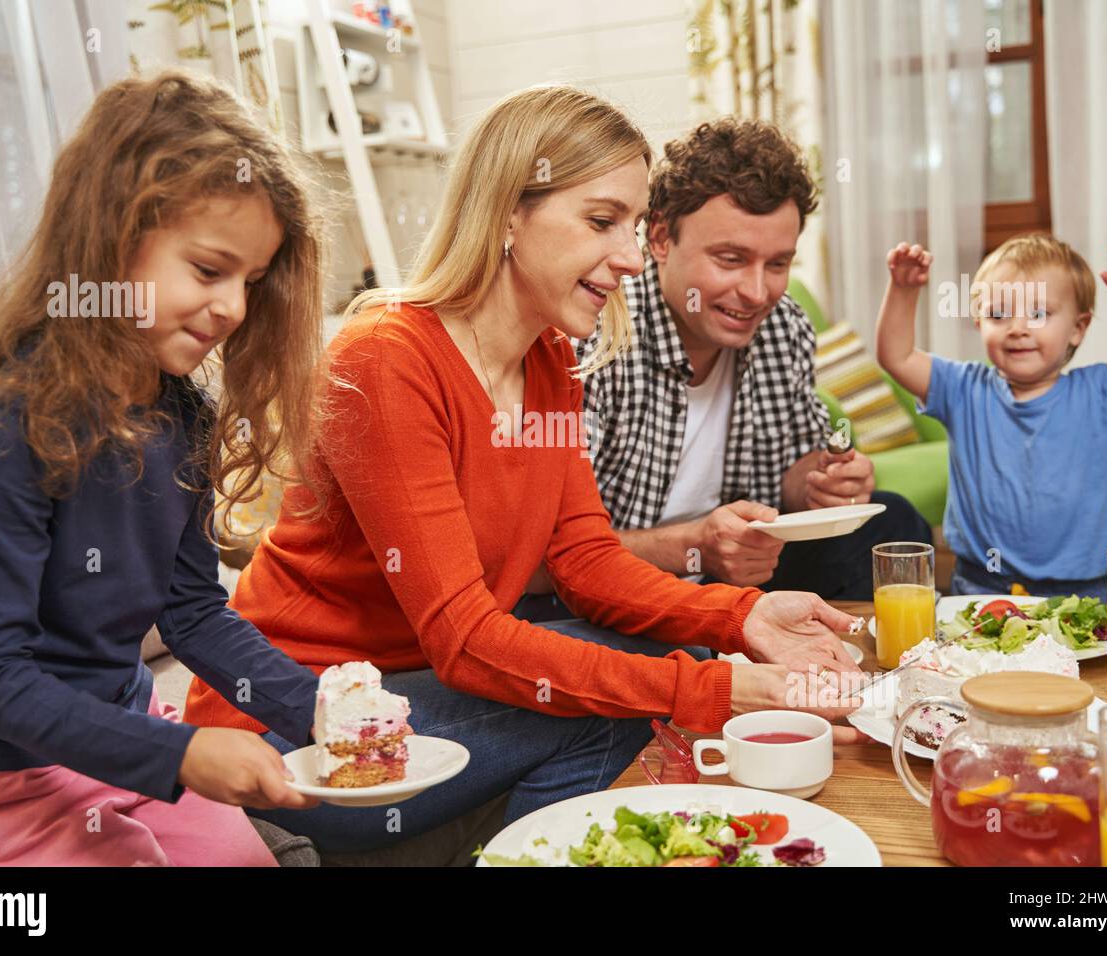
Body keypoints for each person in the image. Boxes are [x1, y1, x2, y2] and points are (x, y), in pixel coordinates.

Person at [185, 86, 866, 856]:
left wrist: (740, 616)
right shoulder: (387, 359)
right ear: (509, 211)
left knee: (661, 666)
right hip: (305, 725)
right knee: (647, 687)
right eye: (602, 221)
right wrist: (712, 685)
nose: (631, 258)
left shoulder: (549, 363)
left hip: (424, 702)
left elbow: (585, 561)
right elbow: (466, 640)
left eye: (637, 228)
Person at [0, 70, 330, 866]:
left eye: (251, 280)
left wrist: (323, 711)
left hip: (116, 735)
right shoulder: (6, 420)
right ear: (110, 241)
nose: (234, 307)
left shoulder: (183, 415)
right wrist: (181, 756)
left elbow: (193, 613)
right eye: (208, 270)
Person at [519, 118, 930, 619]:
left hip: (733, 572)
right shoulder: (595, 334)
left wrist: (820, 483)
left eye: (777, 264)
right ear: (663, 239)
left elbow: (791, 474)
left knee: (893, 523)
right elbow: (541, 559)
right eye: (731, 259)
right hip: (617, 584)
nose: (757, 293)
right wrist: (693, 545)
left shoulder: (783, 325)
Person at [875, 234, 1107, 600]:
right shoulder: (961, 389)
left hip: (1084, 594)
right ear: (980, 324)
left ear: (1078, 327)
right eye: (998, 314)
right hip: (982, 588)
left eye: (1039, 313)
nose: (1018, 327)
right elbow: (896, 357)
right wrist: (902, 290)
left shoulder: (1106, 393)